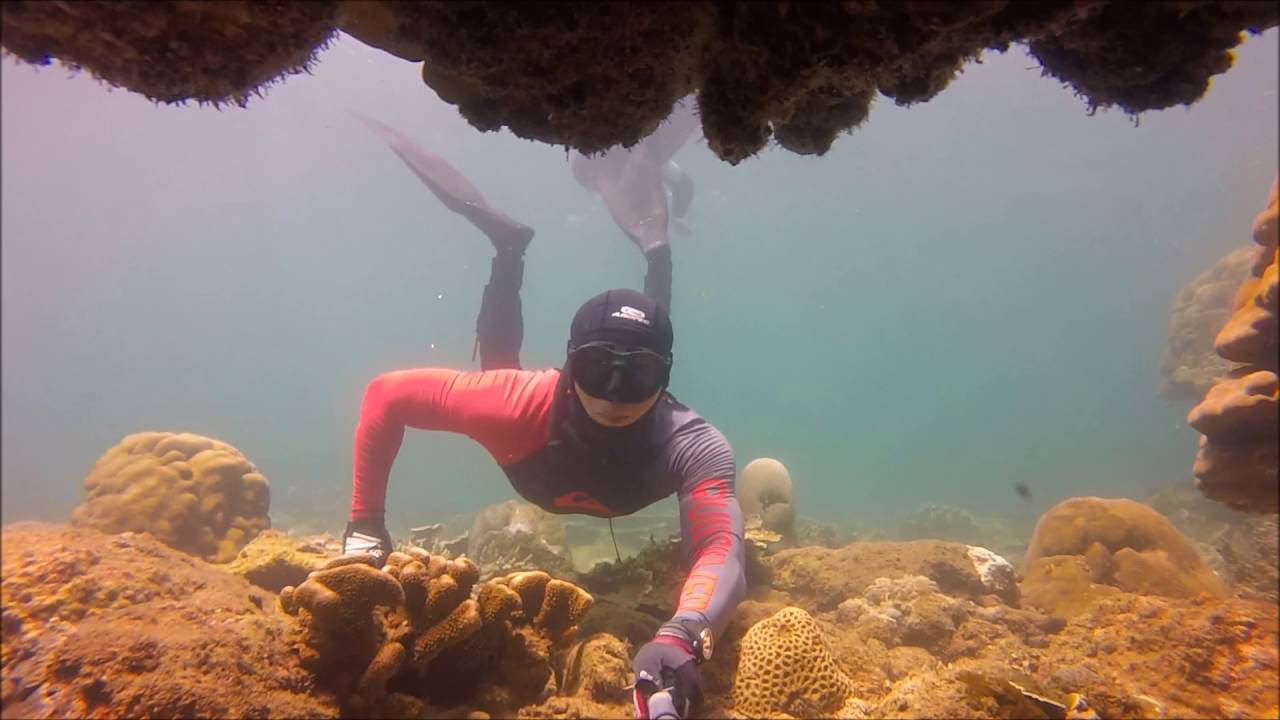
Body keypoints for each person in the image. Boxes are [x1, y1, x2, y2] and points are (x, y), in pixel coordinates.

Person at [343, 109, 743, 719]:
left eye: (639, 376)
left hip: (533, 440)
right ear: (568, 366)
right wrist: (366, 528)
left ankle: (655, 253)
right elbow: (384, 397)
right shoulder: (515, 402)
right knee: (496, 373)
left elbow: (719, 547)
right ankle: (510, 248)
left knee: (618, 337)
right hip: (527, 418)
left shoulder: (692, 443)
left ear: (666, 380)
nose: (614, 395)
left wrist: (683, 633)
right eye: (596, 370)